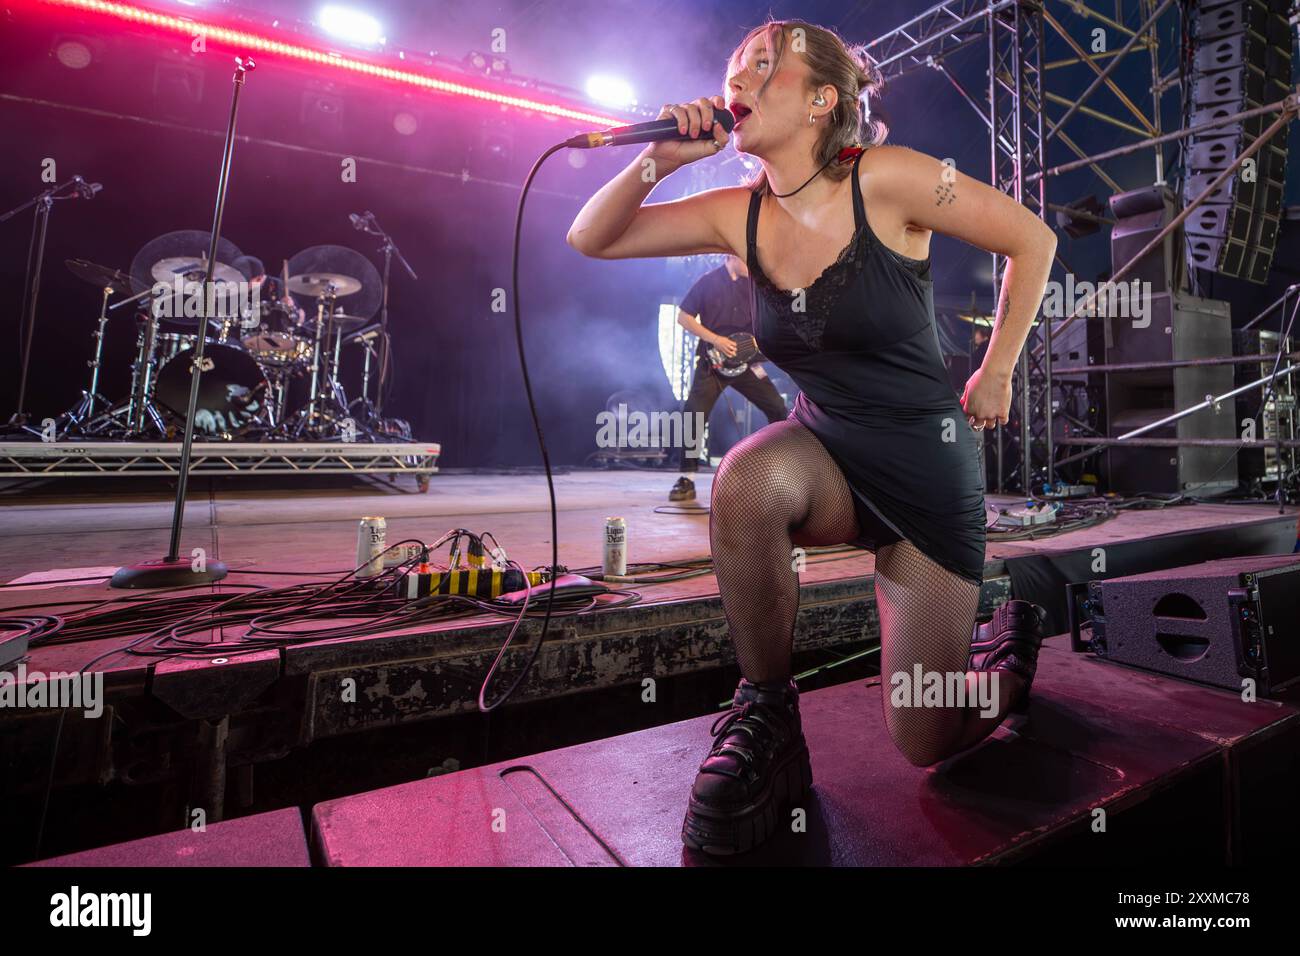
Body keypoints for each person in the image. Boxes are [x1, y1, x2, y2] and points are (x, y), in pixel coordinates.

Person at [567, 19, 1055, 855]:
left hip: (925, 474)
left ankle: (1004, 663)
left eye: (765, 65)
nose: (739, 78)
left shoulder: (891, 179)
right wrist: (664, 159)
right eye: (734, 67)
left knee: (926, 739)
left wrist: (1000, 368)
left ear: (823, 100)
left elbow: (1032, 240)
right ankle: (767, 714)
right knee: (746, 478)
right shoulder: (738, 214)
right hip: (823, 450)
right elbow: (592, 236)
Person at [670, 254, 788, 503]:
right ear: (732, 257)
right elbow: (683, 317)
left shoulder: (755, 286)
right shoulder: (707, 282)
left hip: (747, 364)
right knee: (693, 414)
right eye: (747, 261)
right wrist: (716, 339)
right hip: (713, 362)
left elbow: (772, 318)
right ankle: (686, 479)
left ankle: (781, 470)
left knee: (778, 408)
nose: (753, 267)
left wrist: (760, 337)